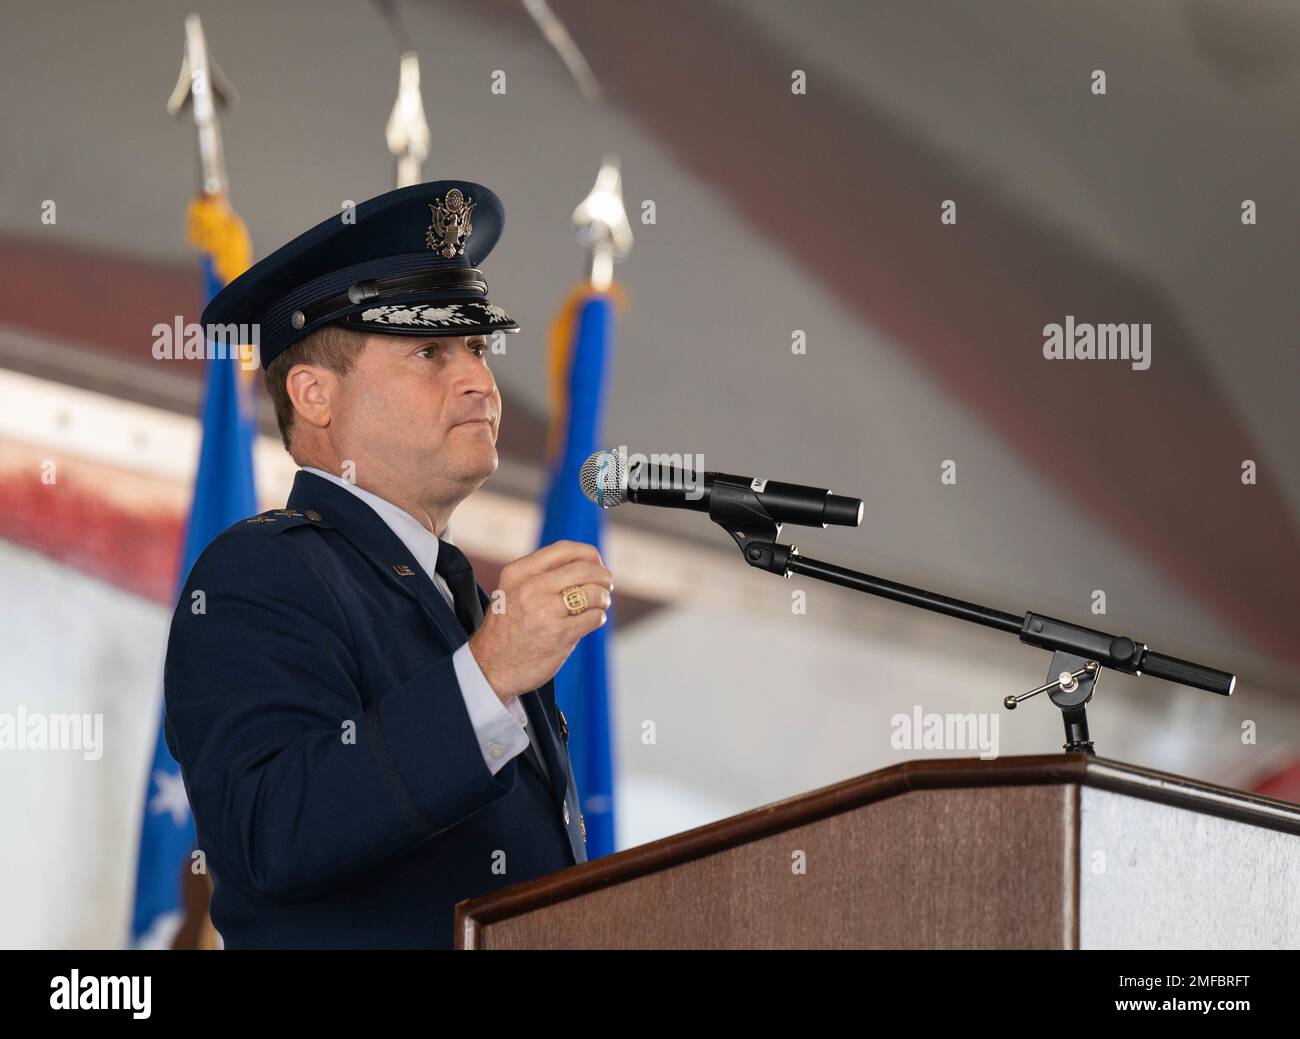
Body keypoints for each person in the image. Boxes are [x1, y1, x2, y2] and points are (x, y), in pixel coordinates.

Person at [163, 180, 612, 948]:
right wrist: (489, 674)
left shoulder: (456, 592)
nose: (478, 378)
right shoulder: (256, 575)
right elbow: (271, 830)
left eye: (476, 345)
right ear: (314, 395)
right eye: (429, 351)